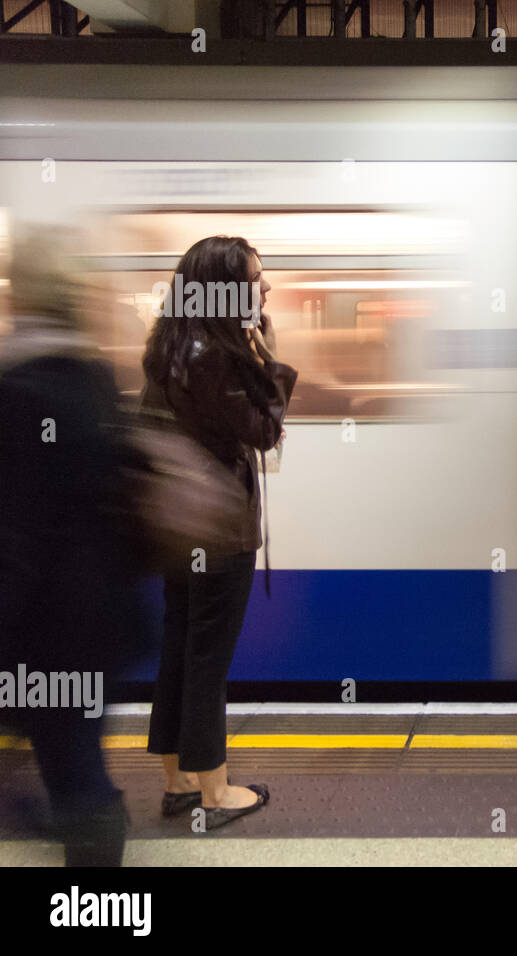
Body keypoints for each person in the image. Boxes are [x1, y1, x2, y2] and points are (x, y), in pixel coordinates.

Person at [0, 229, 150, 865]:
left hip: (41, 620)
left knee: (76, 777)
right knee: (75, 757)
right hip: (100, 614)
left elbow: (17, 530)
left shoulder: (16, 389)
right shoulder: (96, 379)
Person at [140, 236, 297, 829]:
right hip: (219, 529)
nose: (267, 289)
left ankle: (179, 780)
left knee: (180, 646)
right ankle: (214, 792)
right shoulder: (215, 356)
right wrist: (265, 358)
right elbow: (262, 430)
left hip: (180, 528)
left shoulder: (174, 347)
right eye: (257, 279)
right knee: (207, 658)